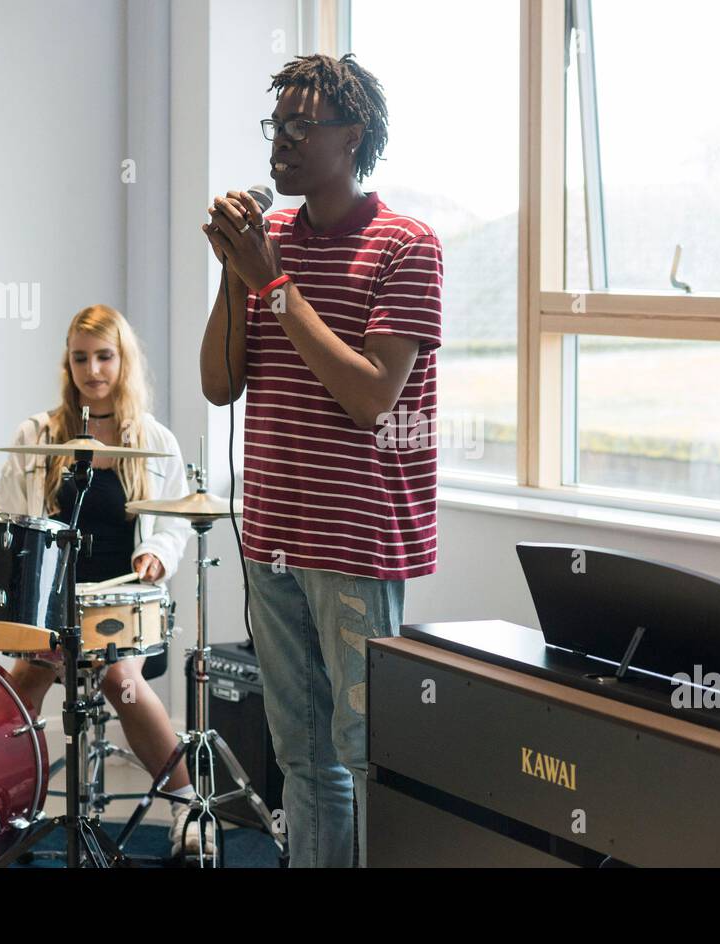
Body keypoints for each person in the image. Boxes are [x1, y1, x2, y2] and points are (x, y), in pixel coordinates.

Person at [199, 53, 443, 866]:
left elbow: (372, 397)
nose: (284, 140)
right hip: (272, 538)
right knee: (303, 756)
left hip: (356, 545)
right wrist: (238, 278)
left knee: (366, 753)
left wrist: (273, 287)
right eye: (278, 125)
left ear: (356, 136)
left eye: (304, 125)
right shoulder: (266, 241)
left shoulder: (406, 247)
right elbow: (218, 383)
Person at [0, 304, 203, 856]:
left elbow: (175, 523)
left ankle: (186, 808)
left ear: (123, 361)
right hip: (52, 603)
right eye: (81, 358)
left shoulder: (154, 440)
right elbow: (6, 521)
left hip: (122, 599)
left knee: (120, 681)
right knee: (20, 687)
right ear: (69, 364)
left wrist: (157, 553)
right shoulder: (38, 434)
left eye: (104, 356)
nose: (93, 369)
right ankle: (8, 811)